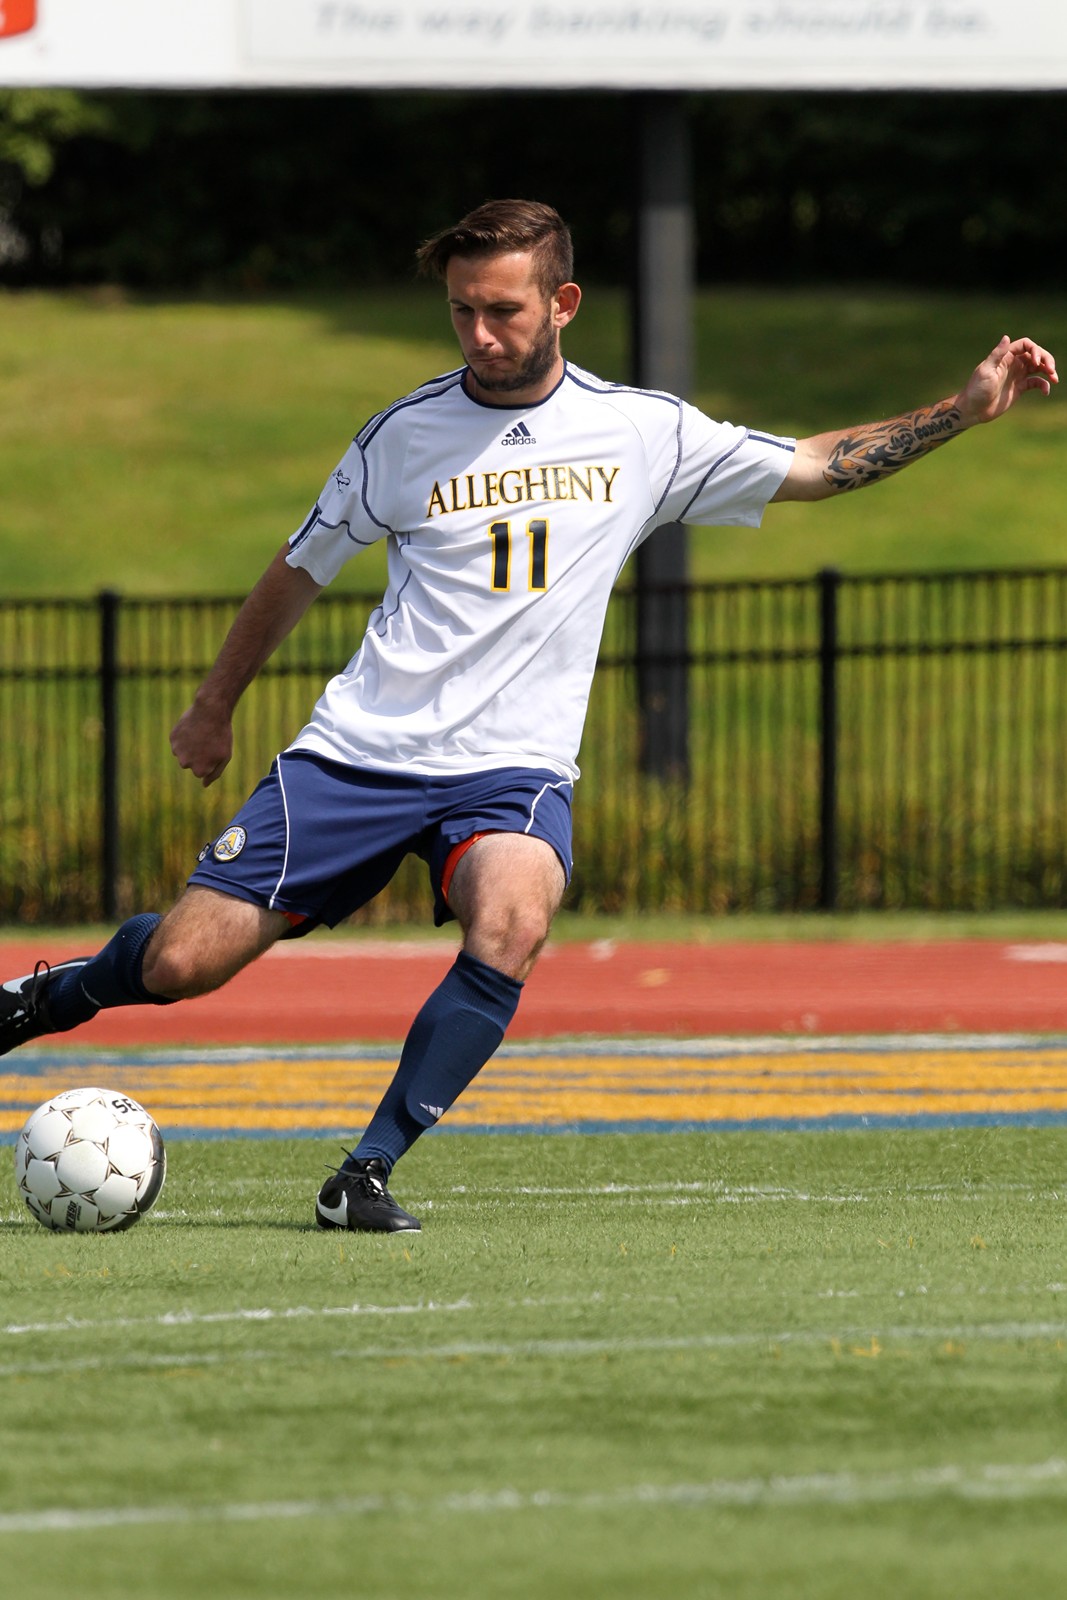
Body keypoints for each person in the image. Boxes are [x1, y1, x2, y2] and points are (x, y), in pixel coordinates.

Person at [0, 200, 1058, 1233]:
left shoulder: (639, 430)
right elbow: (298, 567)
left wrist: (959, 410)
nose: (478, 333)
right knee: (184, 965)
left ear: (563, 303)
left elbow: (817, 465)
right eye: (461, 310)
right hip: (361, 752)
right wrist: (211, 706)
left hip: (512, 767)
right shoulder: (401, 435)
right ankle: (47, 999)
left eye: (501, 309)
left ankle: (361, 1171)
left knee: (513, 917)